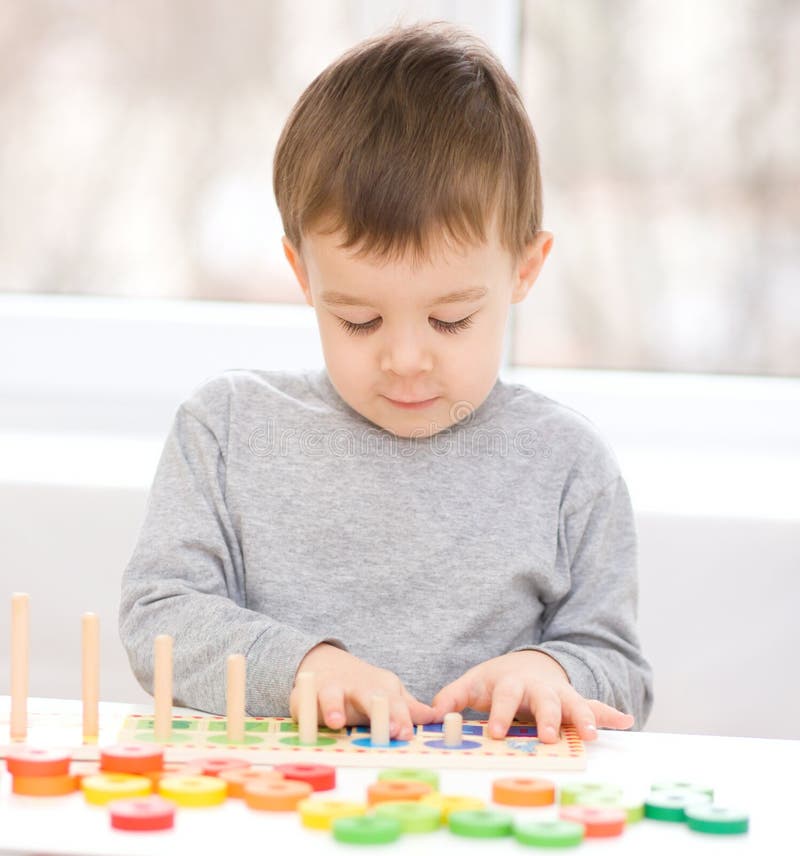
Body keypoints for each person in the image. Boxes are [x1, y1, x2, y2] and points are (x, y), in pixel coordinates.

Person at [120, 21, 653, 745]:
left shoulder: (568, 465)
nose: (405, 359)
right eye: (361, 320)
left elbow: (619, 669)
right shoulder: (228, 431)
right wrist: (302, 667)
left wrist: (550, 672)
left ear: (525, 269)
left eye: (452, 320)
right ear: (304, 274)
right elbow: (161, 618)